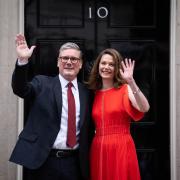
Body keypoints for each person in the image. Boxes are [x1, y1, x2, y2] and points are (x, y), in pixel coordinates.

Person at [9, 34, 93, 180]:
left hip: (75, 163)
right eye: (64, 58)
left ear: (80, 64)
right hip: (43, 161)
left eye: (74, 59)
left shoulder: (87, 92)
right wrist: (23, 60)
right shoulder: (41, 83)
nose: (68, 62)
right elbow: (20, 89)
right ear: (57, 62)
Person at [87, 48, 150, 180]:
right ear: (98, 65)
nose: (106, 67)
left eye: (111, 64)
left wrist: (131, 82)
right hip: (98, 147)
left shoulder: (125, 89)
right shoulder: (93, 93)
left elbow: (144, 108)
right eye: (103, 63)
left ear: (117, 68)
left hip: (121, 145)